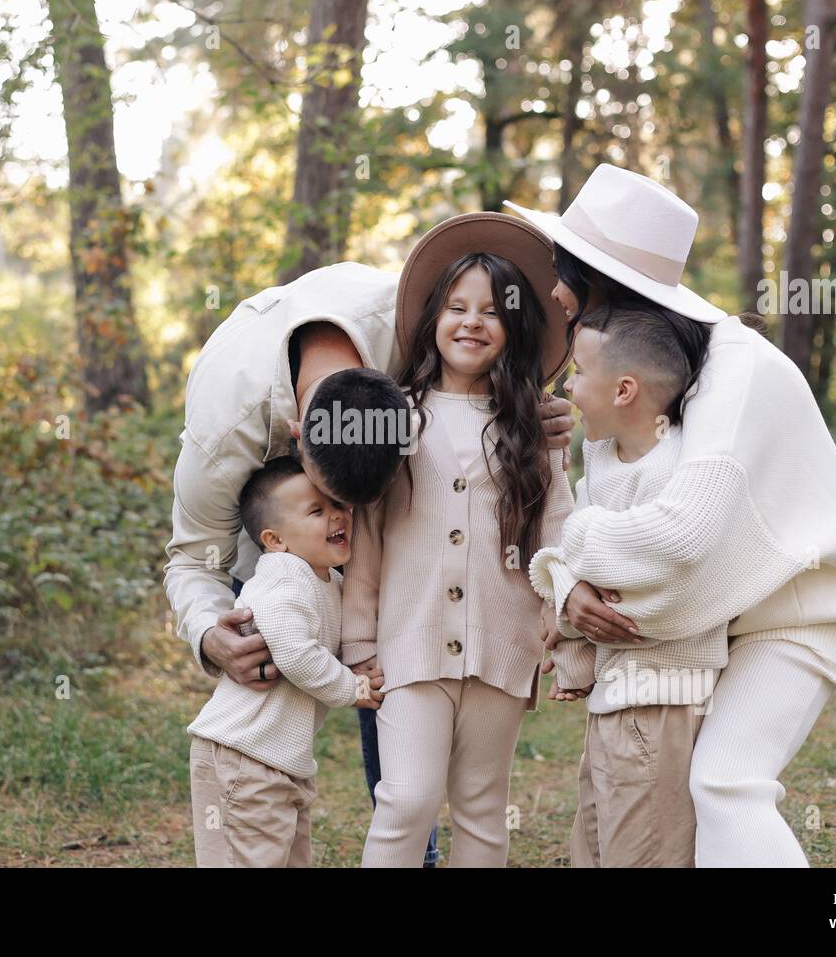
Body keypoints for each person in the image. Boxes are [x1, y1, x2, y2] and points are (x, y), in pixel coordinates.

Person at [505, 163, 836, 866]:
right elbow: (600, 521)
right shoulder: (643, 389)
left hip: (803, 607)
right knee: (699, 792)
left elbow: (677, 536)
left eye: (566, 269)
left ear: (603, 280)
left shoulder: (732, 367)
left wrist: (576, 551)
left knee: (725, 782)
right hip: (727, 608)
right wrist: (568, 585)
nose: (556, 289)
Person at [164, 253, 575, 867]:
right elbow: (193, 557)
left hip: (481, 632)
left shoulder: (413, 328)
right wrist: (207, 635)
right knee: (395, 779)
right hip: (305, 541)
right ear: (301, 436)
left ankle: (424, 854)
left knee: (463, 794)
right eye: (332, 507)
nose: (472, 321)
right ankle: (257, 786)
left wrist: (540, 411)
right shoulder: (224, 433)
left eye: (350, 513)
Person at [341, 213, 575, 867]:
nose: (472, 322)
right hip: (408, 644)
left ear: (514, 329)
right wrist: (359, 642)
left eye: (491, 312)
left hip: (504, 644)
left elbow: (557, 526)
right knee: (407, 799)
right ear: (433, 319)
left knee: (481, 805)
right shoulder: (396, 415)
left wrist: (559, 607)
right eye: (456, 306)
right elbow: (368, 536)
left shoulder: (533, 428)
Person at [529, 297, 729, 867]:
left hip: (660, 700)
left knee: (643, 852)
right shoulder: (605, 461)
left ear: (624, 390)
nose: (568, 387)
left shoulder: (672, 473)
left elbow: (637, 600)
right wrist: (569, 602)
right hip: (617, 700)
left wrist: (566, 596)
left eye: (579, 373)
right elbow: (577, 564)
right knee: (596, 843)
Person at [187, 457, 386, 866]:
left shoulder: (327, 579)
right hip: (244, 757)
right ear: (275, 540)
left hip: (279, 760)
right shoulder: (283, 578)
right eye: (317, 511)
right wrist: (353, 687)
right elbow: (295, 653)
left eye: (337, 505)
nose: (336, 516)